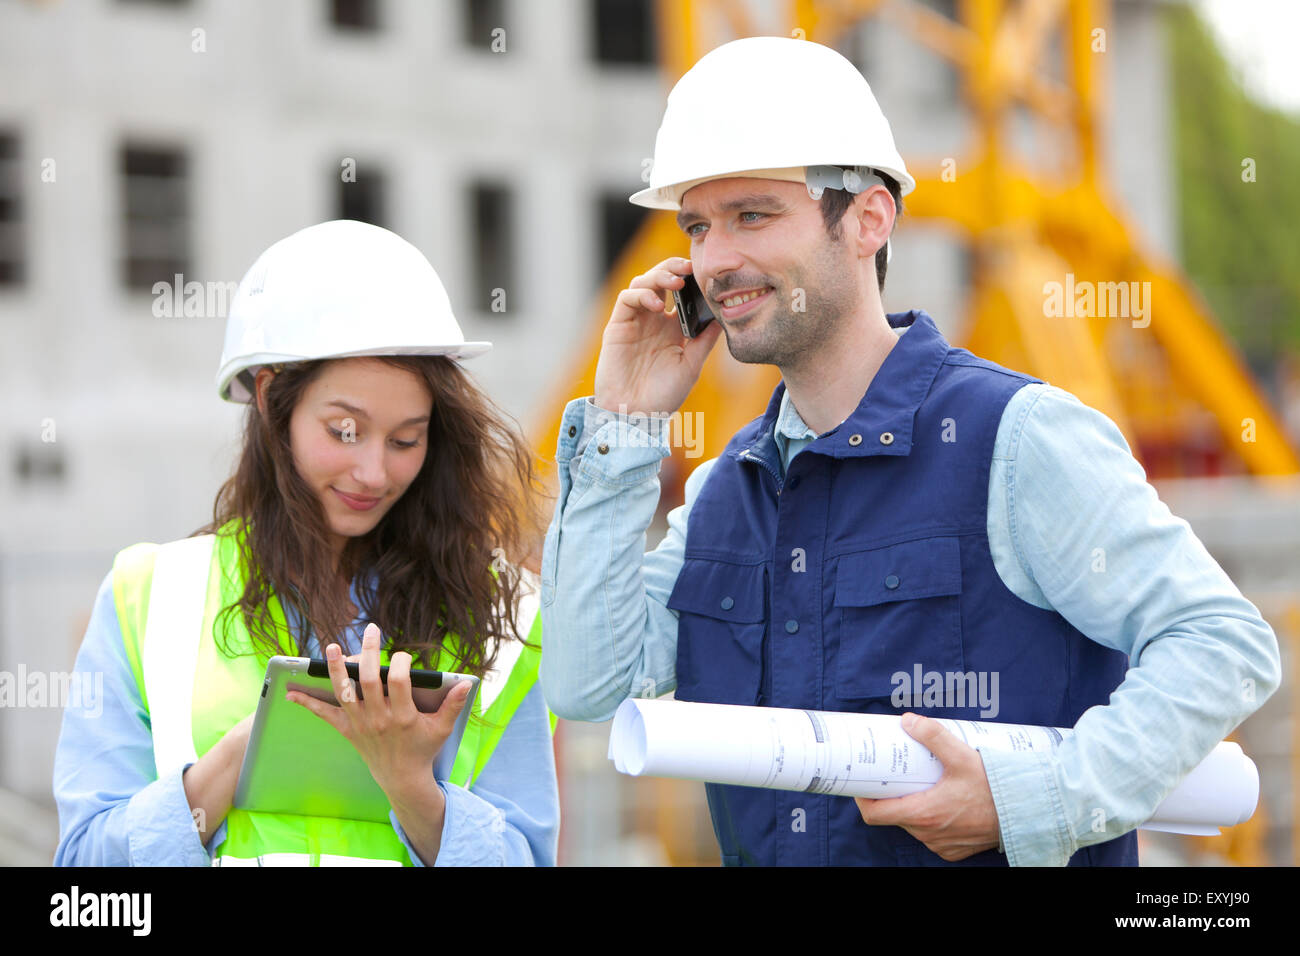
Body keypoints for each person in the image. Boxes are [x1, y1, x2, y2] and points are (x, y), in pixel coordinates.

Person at [539, 37, 1281, 866]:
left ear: (868, 218)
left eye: (752, 215)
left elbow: (1220, 643)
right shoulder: (726, 492)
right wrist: (623, 427)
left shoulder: (1015, 439)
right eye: (697, 226)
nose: (715, 261)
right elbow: (584, 682)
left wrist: (1031, 805)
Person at [53, 219, 558, 866]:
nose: (375, 473)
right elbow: (87, 877)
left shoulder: (509, 613)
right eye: (345, 431)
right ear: (270, 399)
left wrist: (411, 788)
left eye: (406, 440)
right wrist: (236, 761)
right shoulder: (147, 598)